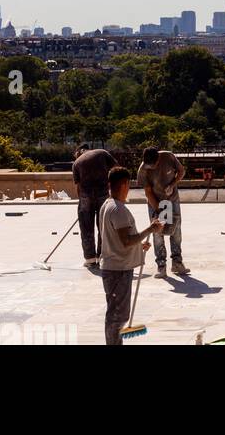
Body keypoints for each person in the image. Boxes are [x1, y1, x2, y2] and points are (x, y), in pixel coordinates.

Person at [98, 166, 163, 346]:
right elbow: (126, 240)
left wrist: (139, 246)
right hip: (118, 269)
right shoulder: (118, 209)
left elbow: (116, 240)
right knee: (118, 315)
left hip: (113, 266)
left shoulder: (107, 205)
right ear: (125, 184)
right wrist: (149, 229)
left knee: (116, 313)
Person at [137, 146, 188, 277]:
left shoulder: (168, 157)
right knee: (157, 232)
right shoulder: (143, 170)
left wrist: (172, 184)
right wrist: (159, 209)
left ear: (158, 159)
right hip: (155, 201)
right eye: (149, 166)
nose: (151, 168)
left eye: (153, 165)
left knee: (175, 230)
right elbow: (148, 192)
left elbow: (181, 171)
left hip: (172, 199)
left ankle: (177, 262)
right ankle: (161, 265)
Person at [71, 145, 116, 270]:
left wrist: (82, 205)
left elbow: (78, 187)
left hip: (86, 197)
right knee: (104, 227)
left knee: (86, 229)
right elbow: (117, 170)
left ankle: (90, 260)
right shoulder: (102, 152)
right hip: (103, 195)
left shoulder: (76, 163)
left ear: (79, 152)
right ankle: (102, 256)